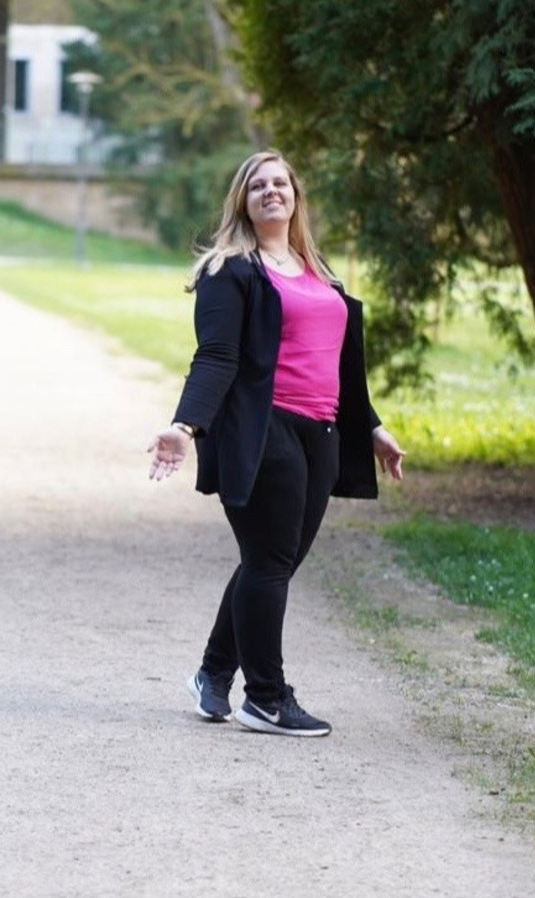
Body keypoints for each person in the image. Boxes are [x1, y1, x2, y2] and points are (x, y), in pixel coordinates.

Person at [148, 149, 406, 739]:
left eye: (280, 182)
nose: (271, 191)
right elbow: (216, 356)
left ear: (295, 196)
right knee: (269, 563)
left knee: (272, 563)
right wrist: (184, 427)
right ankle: (265, 697)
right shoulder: (230, 270)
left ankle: (214, 673)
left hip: (322, 434)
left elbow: (340, 364)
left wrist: (371, 427)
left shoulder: (319, 272)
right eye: (257, 184)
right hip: (260, 431)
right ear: (243, 199)